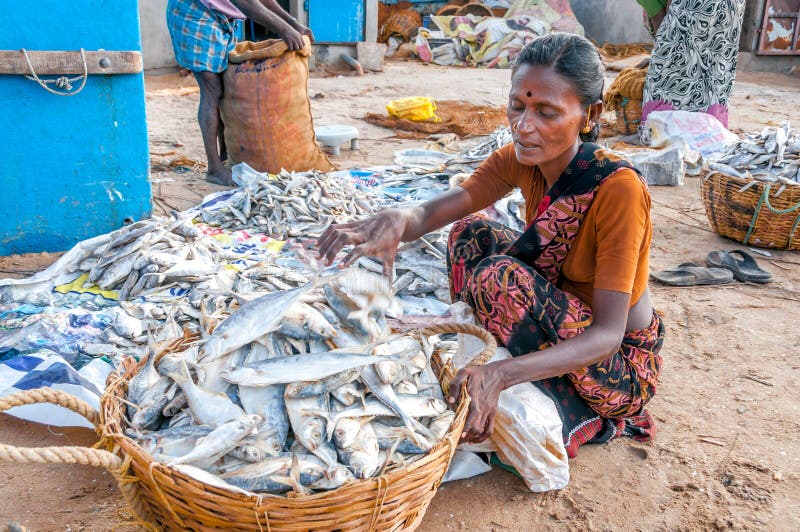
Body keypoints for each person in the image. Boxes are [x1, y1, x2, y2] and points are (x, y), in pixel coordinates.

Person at [317, 33, 665, 458]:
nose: (523, 125)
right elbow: (439, 210)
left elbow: (608, 336)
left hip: (618, 367)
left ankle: (567, 405)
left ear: (590, 114)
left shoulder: (618, 190)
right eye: (517, 105)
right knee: (471, 233)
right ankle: (490, 350)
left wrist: (501, 375)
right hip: (560, 316)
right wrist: (396, 219)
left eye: (546, 112)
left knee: (499, 278)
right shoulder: (521, 159)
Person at [166, 0, 314, 185]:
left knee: (226, 85)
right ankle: (214, 168)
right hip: (195, 13)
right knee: (212, 89)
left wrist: (292, 23)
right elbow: (246, 3)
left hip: (222, 16)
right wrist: (284, 29)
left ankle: (227, 156)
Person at [637, 0, 746, 128]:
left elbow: (657, 17)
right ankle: (709, 127)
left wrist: (661, 55)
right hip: (731, 8)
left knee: (667, 79)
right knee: (716, 66)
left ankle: (664, 128)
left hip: (695, 6)